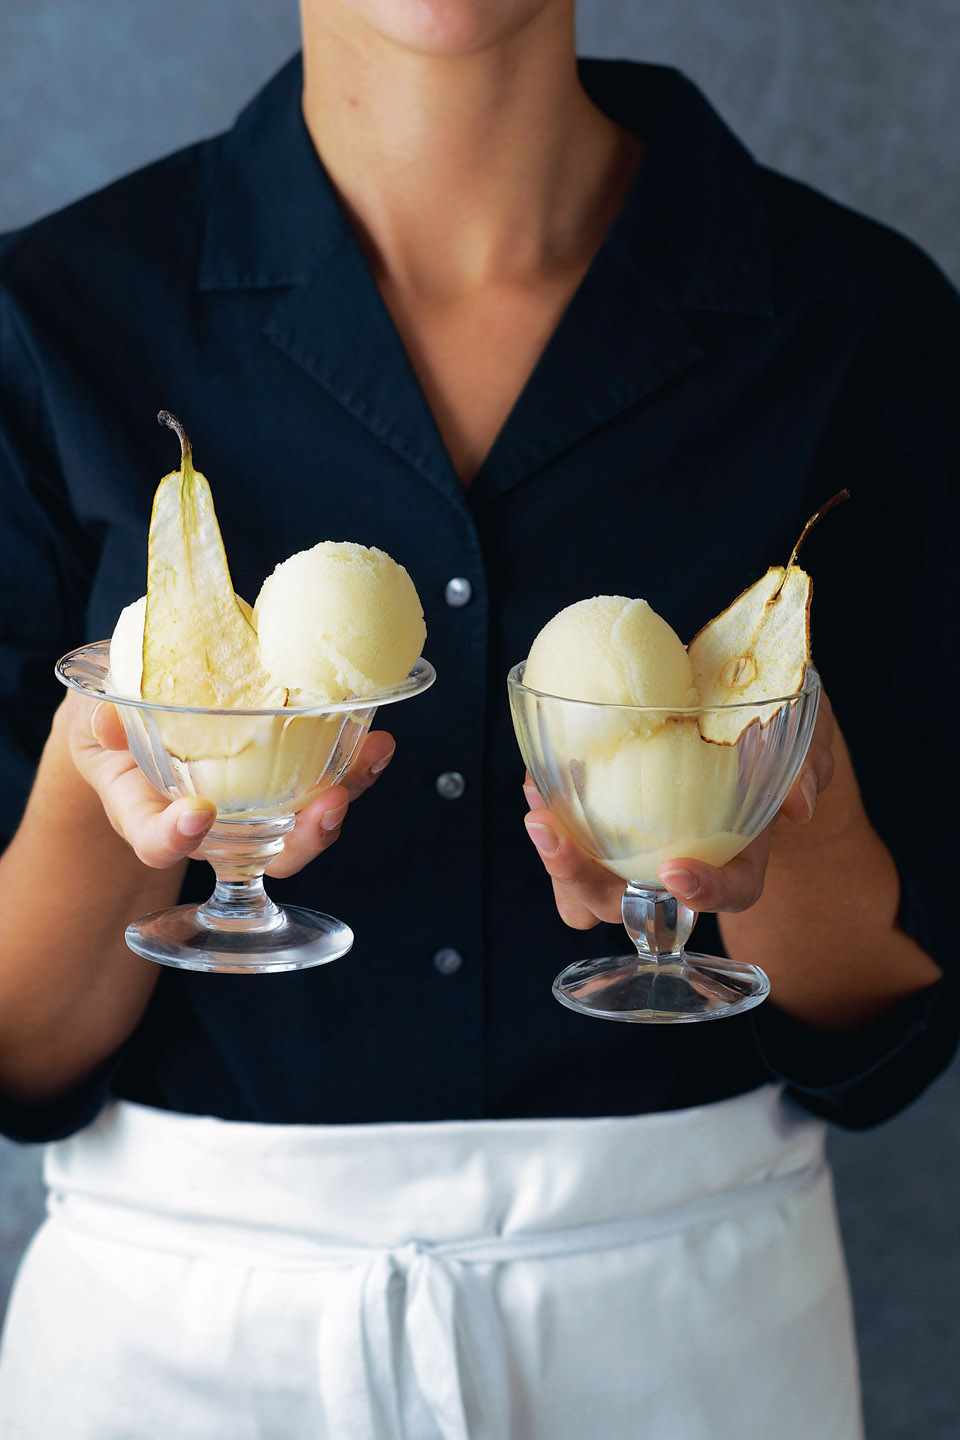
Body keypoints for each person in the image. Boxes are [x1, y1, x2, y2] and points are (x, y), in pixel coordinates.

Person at [0, 1, 957, 1435]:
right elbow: (18, 1048)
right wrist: (130, 769)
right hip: (173, 1337)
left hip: (689, 1332)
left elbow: (885, 1037)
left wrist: (767, 826)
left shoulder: (861, 321)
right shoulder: (52, 318)